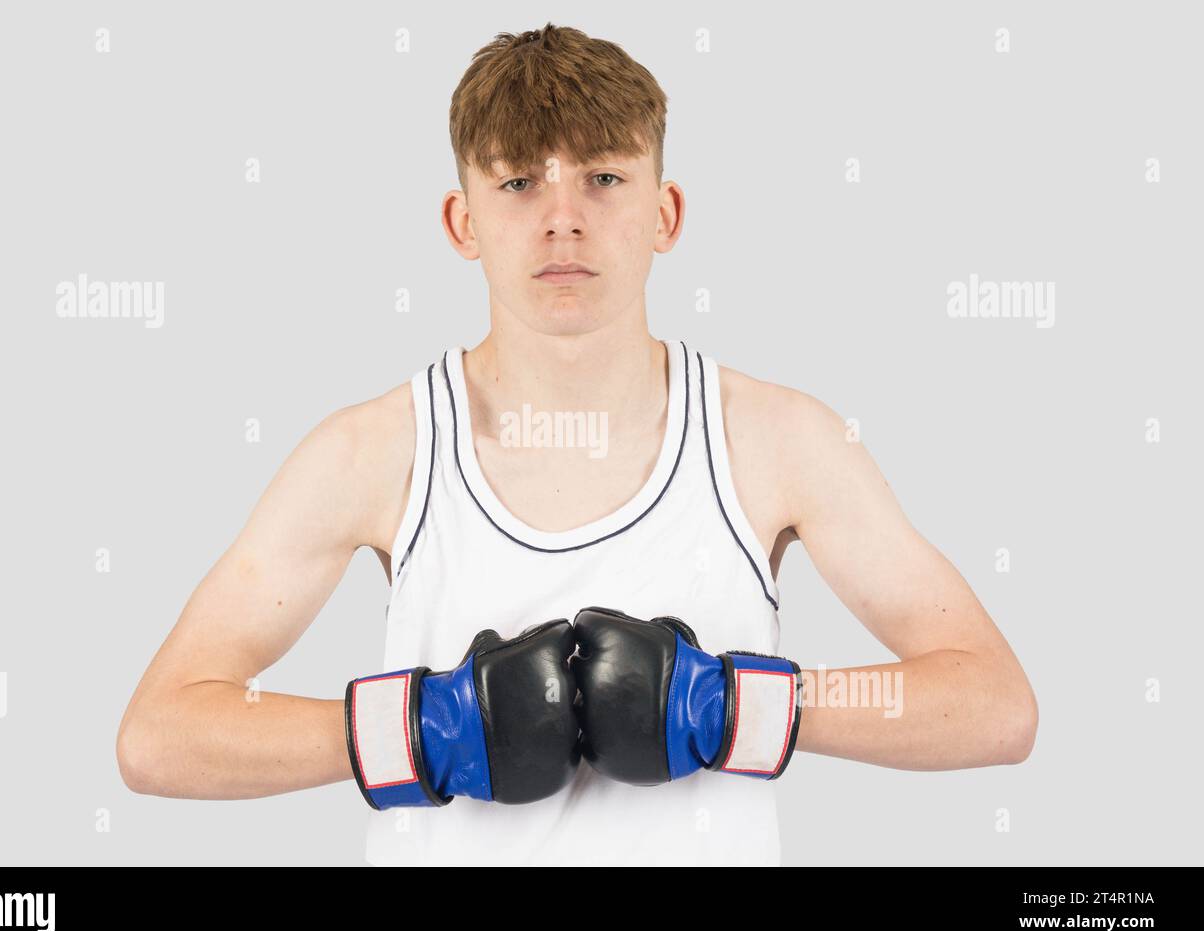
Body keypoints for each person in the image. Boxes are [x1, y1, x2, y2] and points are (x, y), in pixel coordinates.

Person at [116, 22, 1038, 866]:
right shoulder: (372, 452)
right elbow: (159, 735)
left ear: (666, 211)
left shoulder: (777, 440)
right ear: (462, 221)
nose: (563, 218)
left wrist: (736, 708)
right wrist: (424, 732)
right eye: (518, 182)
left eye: (603, 177)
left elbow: (995, 707)